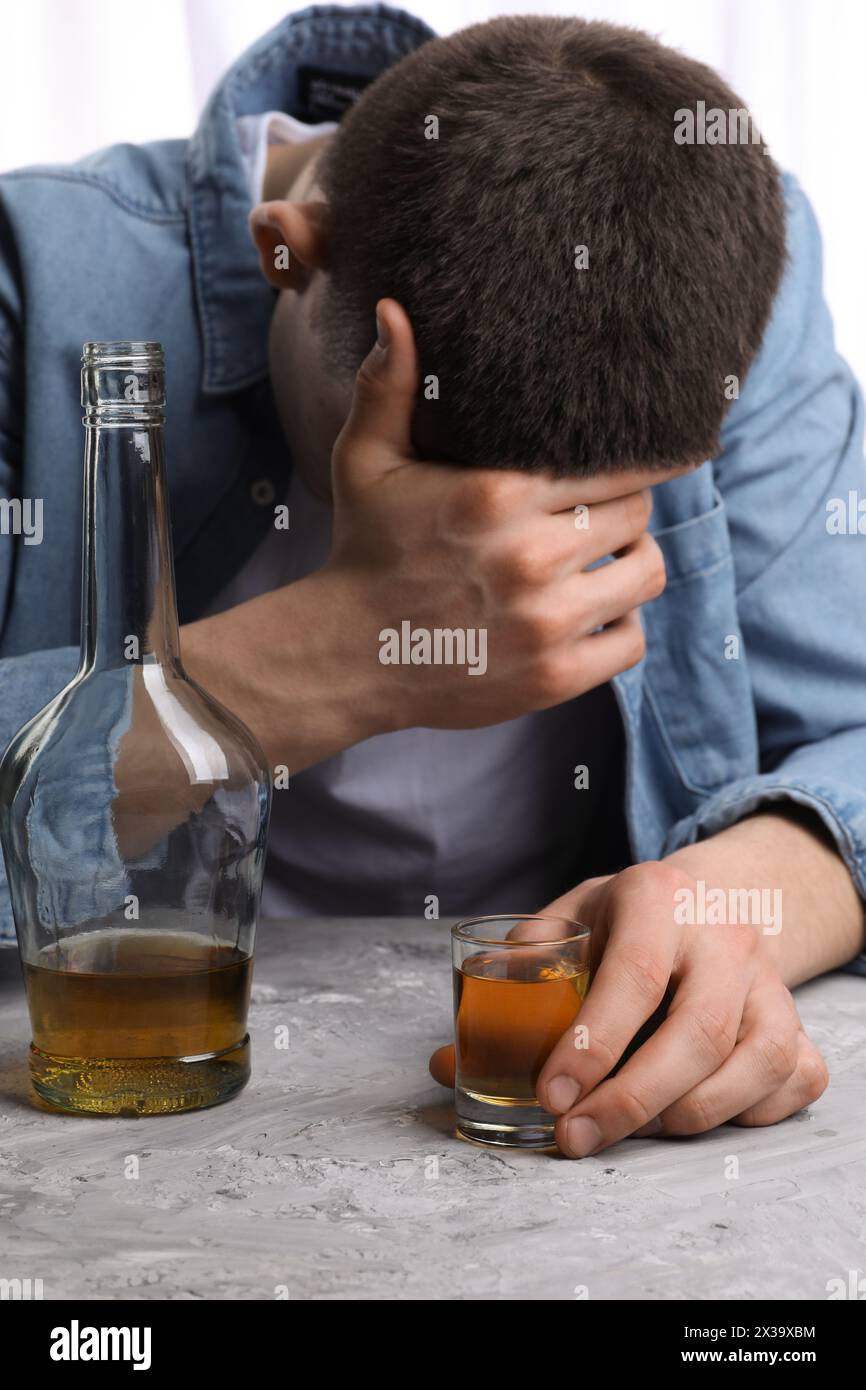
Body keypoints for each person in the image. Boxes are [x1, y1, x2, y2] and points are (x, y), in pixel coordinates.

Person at [0, 7, 863, 1158]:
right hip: (141, 1098)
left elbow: (853, 726)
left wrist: (737, 893)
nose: (496, 554)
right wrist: (346, 649)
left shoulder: (714, 252)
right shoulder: (36, 280)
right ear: (285, 256)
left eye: (582, 515)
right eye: (424, 478)